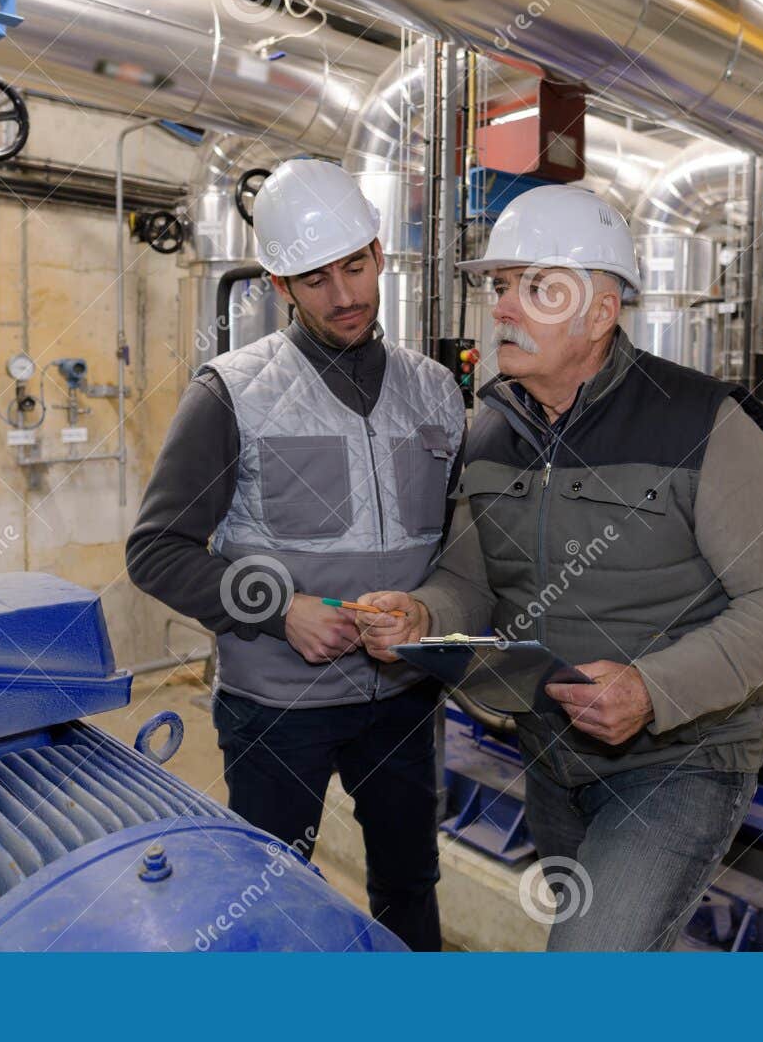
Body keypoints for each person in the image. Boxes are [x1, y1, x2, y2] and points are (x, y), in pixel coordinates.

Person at [357, 184, 763, 950]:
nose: (503, 308)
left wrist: (653, 687)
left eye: (535, 287)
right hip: (552, 756)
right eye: (501, 286)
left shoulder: (704, 423)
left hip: (681, 761)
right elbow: (472, 581)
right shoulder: (490, 430)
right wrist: (423, 614)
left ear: (601, 313)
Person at [126, 158, 465, 951]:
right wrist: (280, 610)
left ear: (381, 254)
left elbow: (460, 548)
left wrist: (431, 614)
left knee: (410, 886)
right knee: (271, 898)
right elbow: (156, 550)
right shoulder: (230, 393)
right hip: (281, 706)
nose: (344, 295)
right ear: (279, 283)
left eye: (354, 266)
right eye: (315, 279)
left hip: (405, 697)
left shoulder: (437, 391)